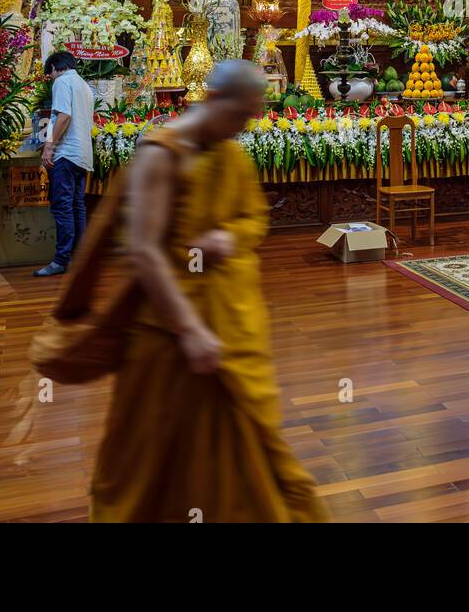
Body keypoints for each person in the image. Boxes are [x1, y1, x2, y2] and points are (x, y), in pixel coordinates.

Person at [90, 60, 327, 522]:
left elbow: (254, 218)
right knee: (153, 456)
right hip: (169, 328)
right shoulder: (161, 154)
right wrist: (190, 329)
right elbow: (143, 251)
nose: (242, 128)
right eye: (240, 116)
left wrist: (228, 238)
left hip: (230, 319)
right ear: (215, 100)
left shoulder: (230, 154)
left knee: (246, 441)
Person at [35, 51, 95, 278]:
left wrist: (49, 146)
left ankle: (61, 260)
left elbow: (63, 117)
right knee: (77, 206)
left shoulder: (62, 82)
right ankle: (79, 257)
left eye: (49, 74)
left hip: (66, 154)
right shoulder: (84, 85)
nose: (50, 78)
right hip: (82, 155)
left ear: (53, 68)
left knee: (62, 207)